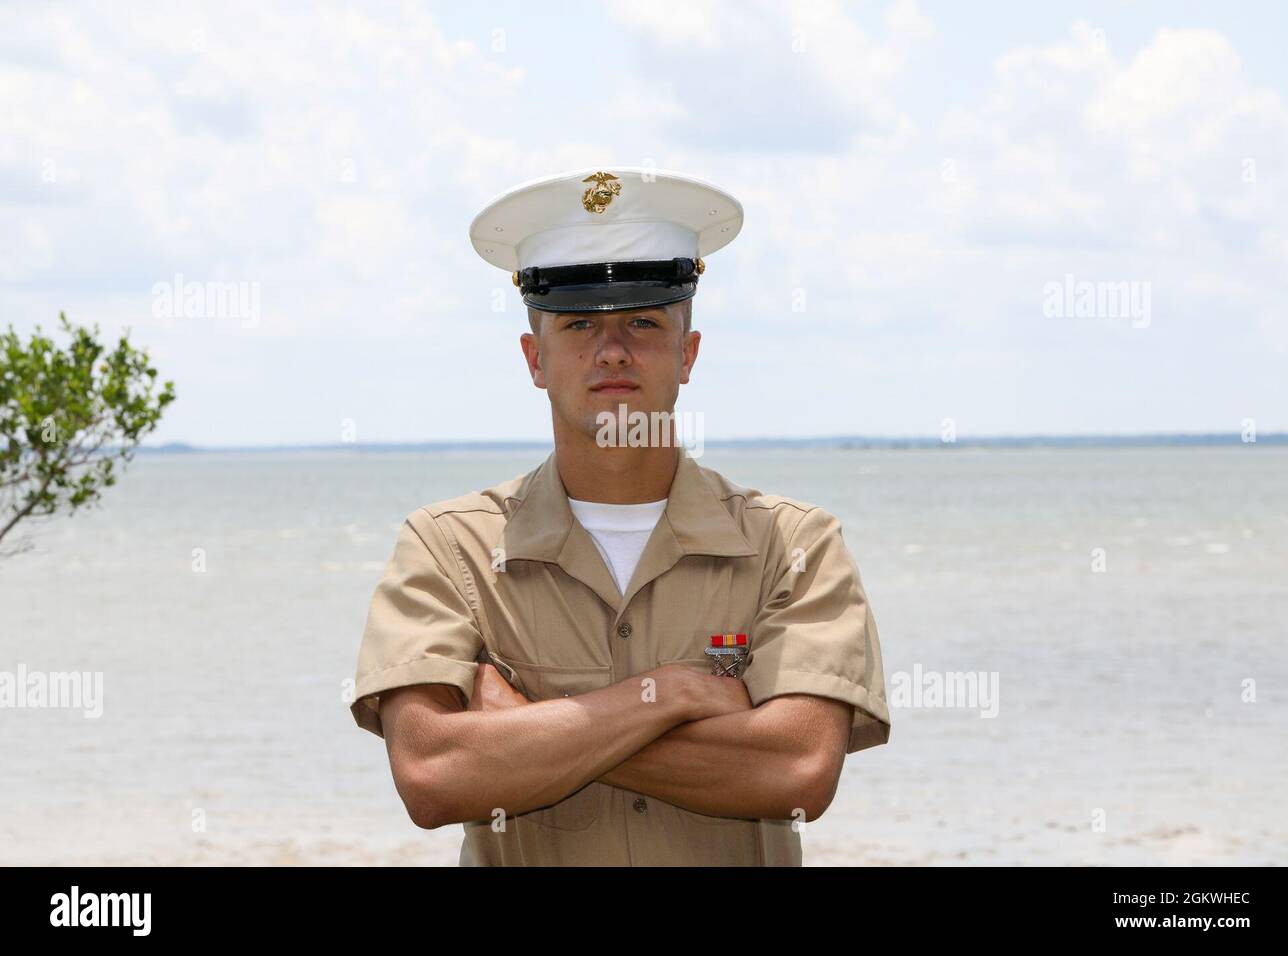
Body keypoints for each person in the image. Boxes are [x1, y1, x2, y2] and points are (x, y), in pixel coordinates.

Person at [349, 167, 890, 866]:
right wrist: (671, 695)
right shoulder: (449, 548)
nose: (611, 350)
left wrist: (528, 732)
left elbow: (796, 772)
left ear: (687, 353)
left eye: (643, 321)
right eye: (578, 324)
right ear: (534, 359)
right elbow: (432, 777)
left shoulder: (791, 544)